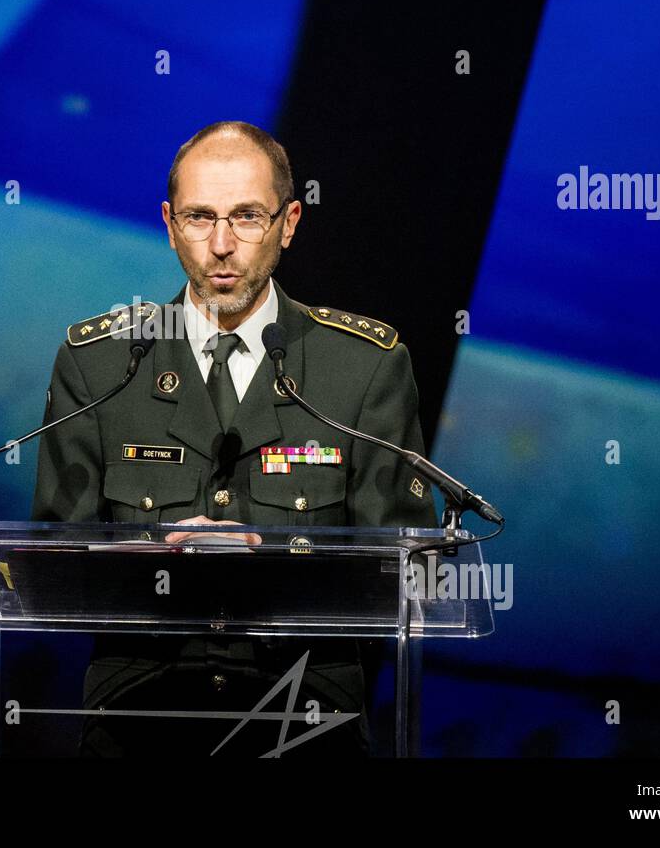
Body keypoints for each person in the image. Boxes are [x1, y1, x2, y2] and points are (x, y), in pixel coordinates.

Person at [31, 120, 437, 756]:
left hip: (306, 721)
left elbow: (417, 574)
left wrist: (272, 567)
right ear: (169, 224)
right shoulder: (102, 362)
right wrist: (157, 560)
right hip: (140, 716)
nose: (221, 244)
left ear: (290, 222)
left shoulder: (362, 367)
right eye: (200, 217)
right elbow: (52, 567)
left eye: (247, 217)